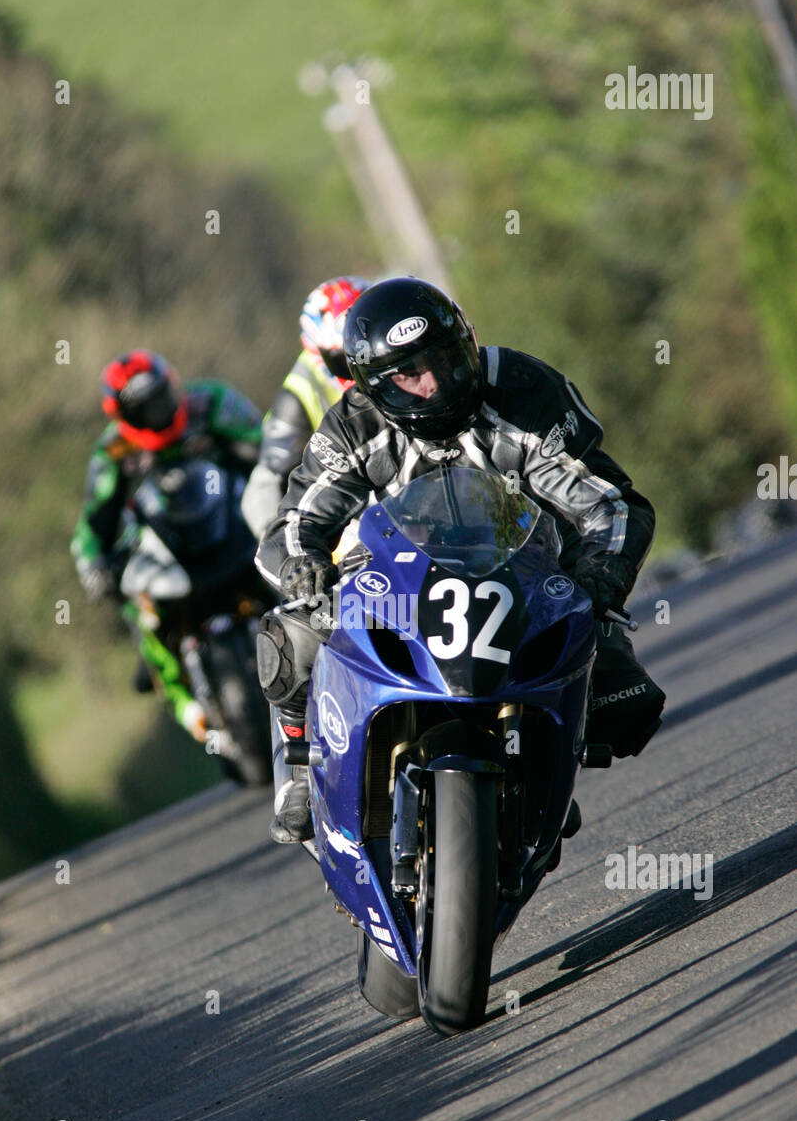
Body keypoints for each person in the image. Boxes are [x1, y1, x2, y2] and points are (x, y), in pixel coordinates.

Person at [253, 277, 665, 842]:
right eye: (407, 376)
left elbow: (611, 502)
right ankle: (303, 763)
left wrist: (601, 576)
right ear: (375, 386)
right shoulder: (353, 422)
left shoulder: (523, 391)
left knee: (623, 694)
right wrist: (304, 566)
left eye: (443, 360)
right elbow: (293, 522)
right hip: (396, 578)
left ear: (467, 344)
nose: (432, 385)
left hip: (526, 567)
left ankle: (545, 766)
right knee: (291, 635)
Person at [71, 349, 263, 741]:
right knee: (137, 604)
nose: (157, 413)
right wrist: (92, 562)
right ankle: (184, 703)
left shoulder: (211, 402)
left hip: (234, 525)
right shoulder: (113, 453)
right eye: (143, 409)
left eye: (160, 399)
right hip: (166, 554)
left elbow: (267, 449)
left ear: (173, 386)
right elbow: (94, 519)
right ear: (122, 417)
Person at [240, 276, 370, 539]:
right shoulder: (299, 393)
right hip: (353, 516)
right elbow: (266, 482)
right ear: (318, 354)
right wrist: (281, 545)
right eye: (345, 356)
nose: (362, 362)